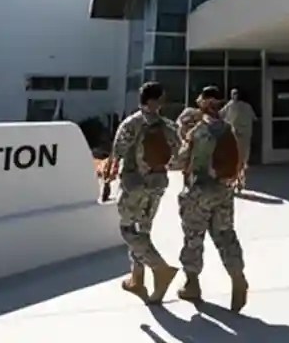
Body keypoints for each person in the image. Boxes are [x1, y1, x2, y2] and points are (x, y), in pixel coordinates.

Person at [176, 85, 248, 311]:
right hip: (224, 192)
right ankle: (237, 277)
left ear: (204, 102)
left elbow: (181, 160)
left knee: (193, 238)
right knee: (226, 235)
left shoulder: (197, 129)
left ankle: (192, 285)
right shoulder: (227, 129)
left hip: (199, 191)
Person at [109, 81, 181, 303]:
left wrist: (112, 172)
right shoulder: (168, 127)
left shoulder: (131, 124)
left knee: (127, 229)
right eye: (160, 98)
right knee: (144, 231)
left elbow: (117, 153)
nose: (163, 102)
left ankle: (160, 269)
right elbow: (178, 155)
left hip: (134, 186)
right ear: (151, 101)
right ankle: (136, 278)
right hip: (156, 185)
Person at [220, 87, 257, 193]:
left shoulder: (237, 106)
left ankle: (238, 182)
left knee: (239, 161)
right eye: (233, 94)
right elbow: (254, 118)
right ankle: (236, 182)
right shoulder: (231, 106)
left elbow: (220, 115)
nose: (234, 96)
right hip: (236, 138)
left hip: (240, 138)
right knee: (237, 161)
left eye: (235, 94)